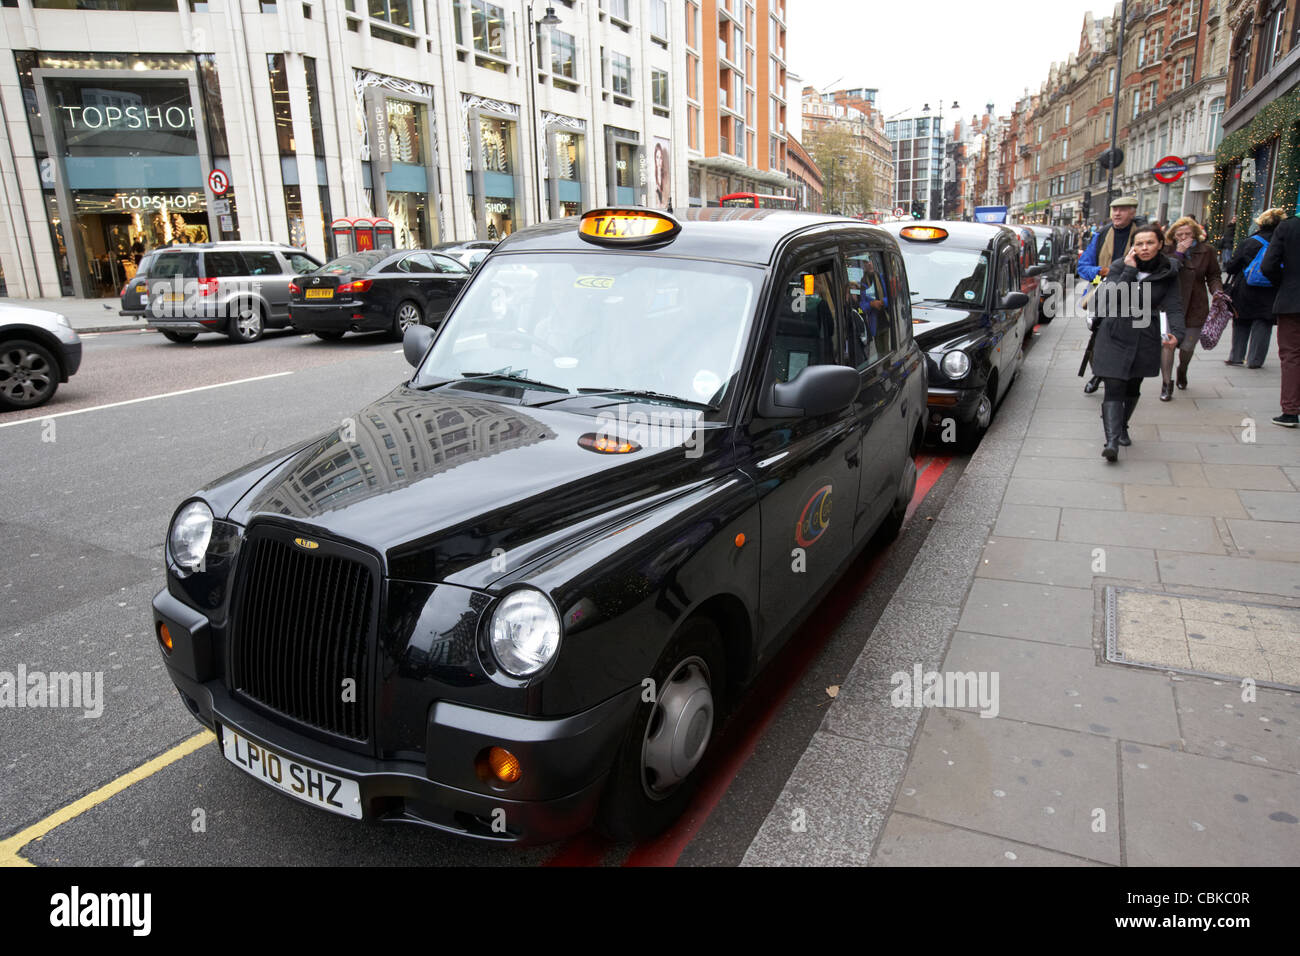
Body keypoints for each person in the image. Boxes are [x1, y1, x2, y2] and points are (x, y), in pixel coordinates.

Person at [1090, 223, 1185, 461]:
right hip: (1115, 331)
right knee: (1113, 386)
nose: (1144, 248)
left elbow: (1174, 305)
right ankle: (1111, 442)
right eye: (1139, 243)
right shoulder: (1121, 266)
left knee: (1133, 386)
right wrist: (1129, 272)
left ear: (1161, 244)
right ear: (1133, 246)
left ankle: (1122, 426)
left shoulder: (1168, 271)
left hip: (1145, 333)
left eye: (1150, 243)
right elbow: (1109, 297)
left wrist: (1178, 333)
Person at [1077, 196, 1140, 394]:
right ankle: (1099, 373)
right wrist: (1101, 272)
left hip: (1135, 296)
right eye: (1114, 209)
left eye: (1122, 209)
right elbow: (1082, 267)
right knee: (1100, 339)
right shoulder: (1101, 235)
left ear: (1132, 212)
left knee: (1128, 340)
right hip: (1104, 295)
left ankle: (1118, 376)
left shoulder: (1142, 235)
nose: (1117, 213)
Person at [1162, 216, 1223, 398]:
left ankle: (1182, 369)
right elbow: (1165, 272)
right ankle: (1166, 384)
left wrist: (1218, 291)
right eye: (1179, 234)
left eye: (1188, 234)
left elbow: (1214, 275)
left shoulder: (1207, 251)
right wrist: (1179, 253)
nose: (1183, 237)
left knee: (1187, 346)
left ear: (1195, 234)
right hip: (1170, 304)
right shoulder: (1167, 251)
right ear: (1173, 236)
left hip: (1196, 305)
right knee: (1168, 344)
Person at [1223, 208, 1285, 370]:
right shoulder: (1282, 243)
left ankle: (1236, 357)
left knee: (1241, 321)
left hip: (1245, 289)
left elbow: (1232, 267)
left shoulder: (1249, 241)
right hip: (1271, 290)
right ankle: (1255, 360)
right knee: (1263, 323)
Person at [1261, 210, 1300, 427]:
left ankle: (1291, 411)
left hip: (1292, 300)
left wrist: (1284, 285)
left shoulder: (1288, 226)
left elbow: (1268, 265)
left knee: (1292, 355)